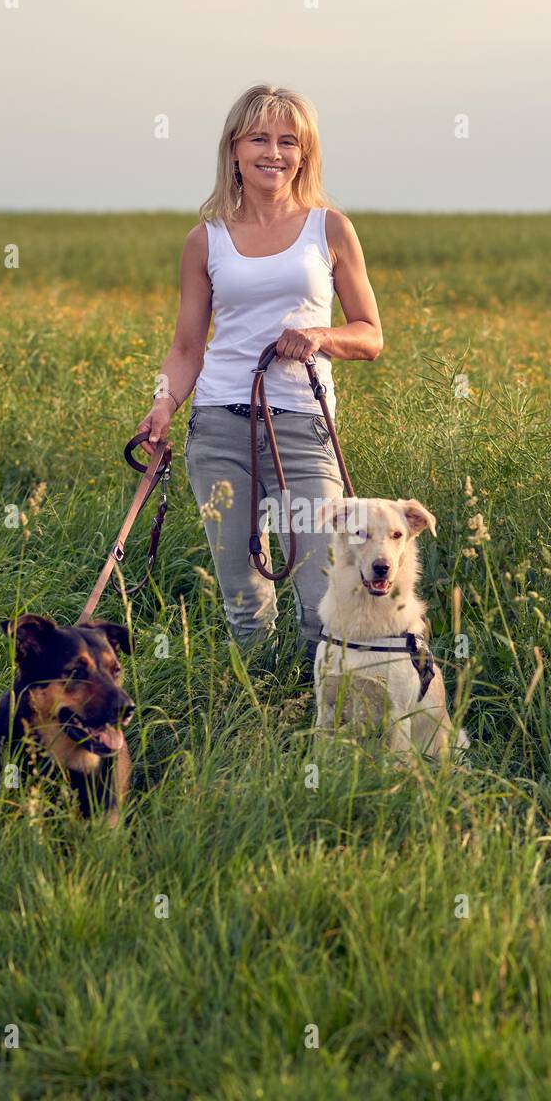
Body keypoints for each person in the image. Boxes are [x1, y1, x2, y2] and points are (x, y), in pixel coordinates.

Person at [136, 83, 382, 669]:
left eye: (288, 141)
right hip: (220, 430)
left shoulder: (330, 229)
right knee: (243, 596)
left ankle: (320, 717)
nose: (274, 152)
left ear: (304, 153)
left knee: (320, 591)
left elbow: (370, 334)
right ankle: (260, 720)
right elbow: (188, 345)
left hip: (301, 429)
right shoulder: (207, 239)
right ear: (235, 150)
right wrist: (163, 404)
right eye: (260, 139)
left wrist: (321, 337)